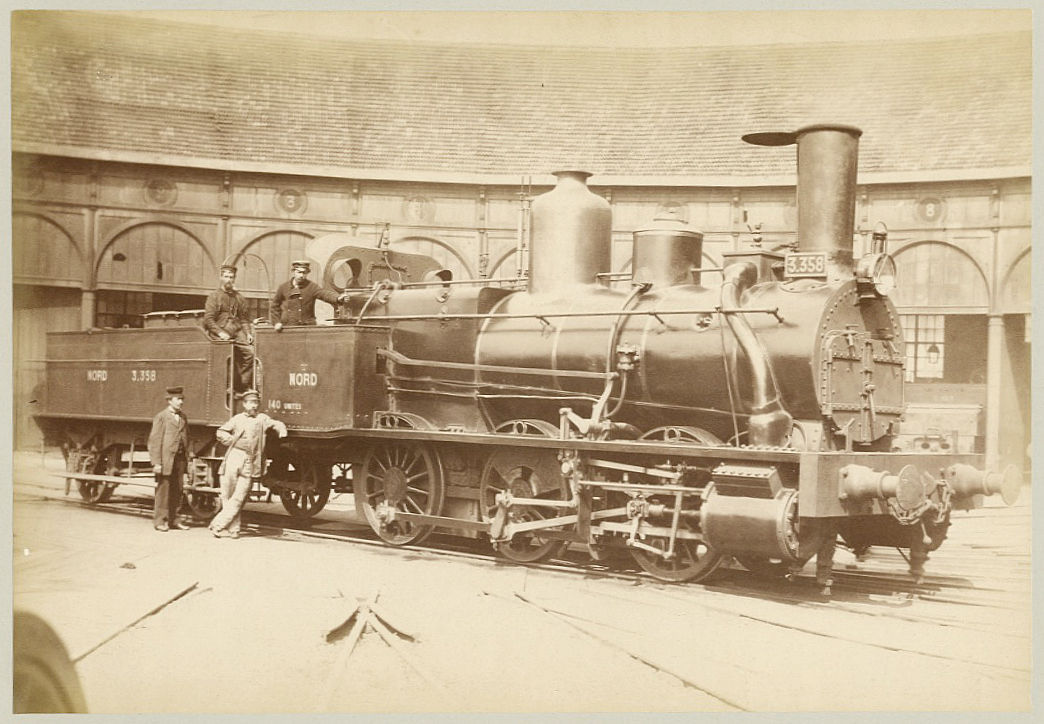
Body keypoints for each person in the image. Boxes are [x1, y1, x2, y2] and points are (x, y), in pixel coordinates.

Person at [209, 389, 287, 539]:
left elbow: (276, 424)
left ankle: (217, 524)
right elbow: (220, 432)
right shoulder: (237, 419)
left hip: (250, 462)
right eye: (251, 403)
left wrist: (282, 430)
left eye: (256, 402)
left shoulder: (262, 419)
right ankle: (234, 529)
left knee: (239, 497)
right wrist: (233, 441)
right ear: (244, 404)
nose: (254, 405)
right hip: (234, 458)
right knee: (228, 496)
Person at [147, 385, 191, 532]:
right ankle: (160, 521)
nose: (181, 402)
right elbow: (154, 442)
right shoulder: (161, 417)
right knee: (163, 491)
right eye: (178, 399)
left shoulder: (183, 417)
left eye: (182, 399)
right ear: (169, 400)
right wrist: (156, 463)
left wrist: (188, 458)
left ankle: (175, 520)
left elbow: (186, 437)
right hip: (166, 460)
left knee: (177, 490)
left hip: (179, 460)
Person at [203, 263, 254, 390]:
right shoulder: (214, 296)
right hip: (220, 332)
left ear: (234, 278)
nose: (228, 280)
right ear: (221, 277)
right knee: (226, 355)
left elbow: (244, 319)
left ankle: (241, 385)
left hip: (237, 331)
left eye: (231, 277)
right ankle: (225, 387)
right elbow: (208, 319)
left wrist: (248, 333)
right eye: (226, 277)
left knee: (250, 352)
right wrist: (220, 332)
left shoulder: (239, 297)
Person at [269, 259, 349, 330]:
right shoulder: (283, 287)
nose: (301, 275)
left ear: (307, 273)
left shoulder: (312, 287)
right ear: (293, 272)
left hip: (307, 329)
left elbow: (324, 294)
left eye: (304, 273)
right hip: (288, 328)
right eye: (299, 272)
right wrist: (276, 322)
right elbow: (274, 307)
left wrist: (338, 298)